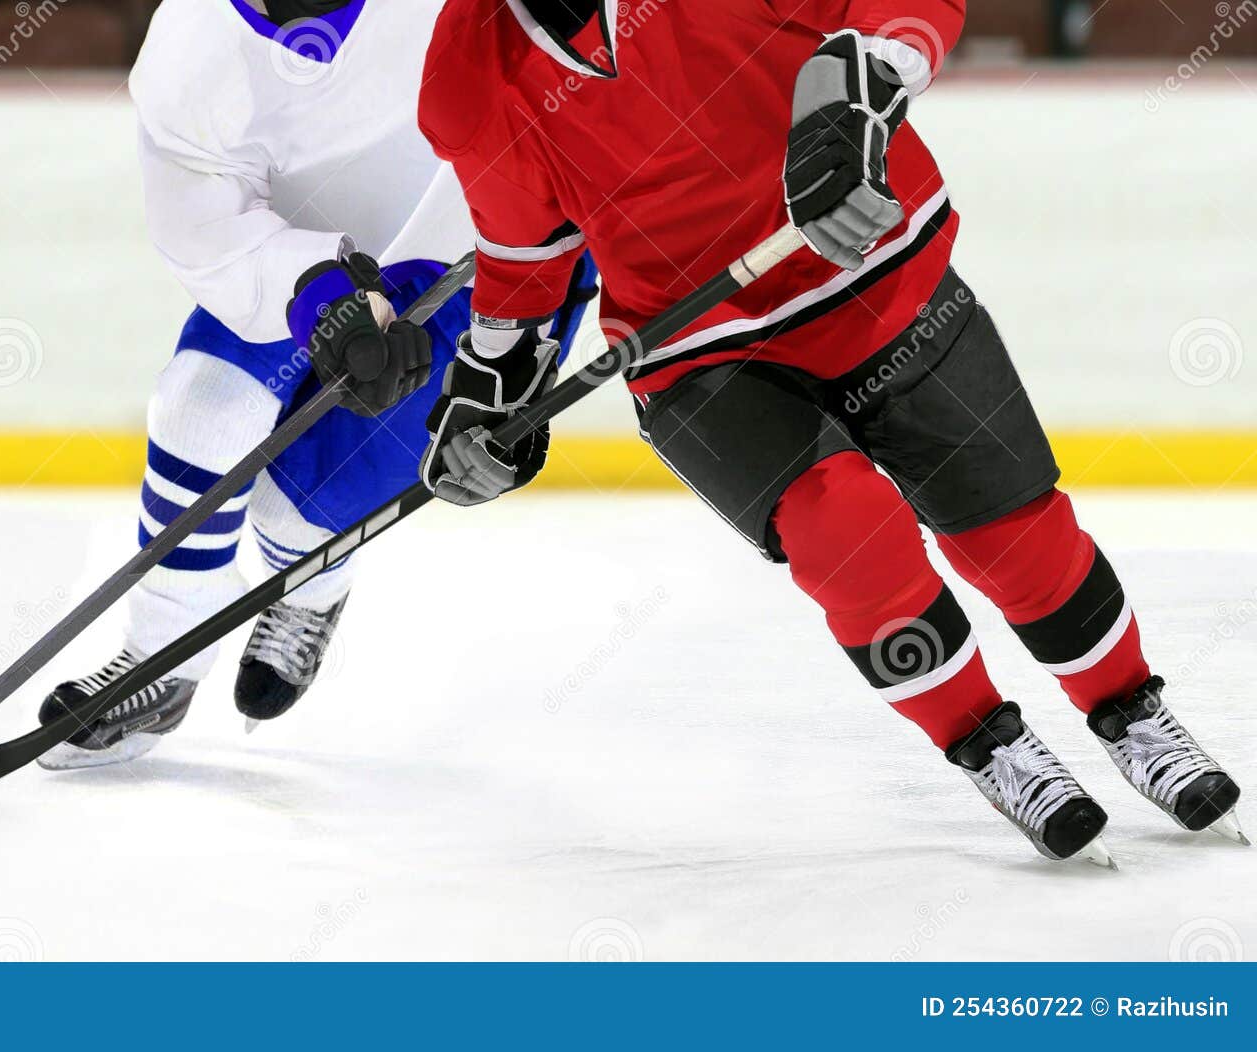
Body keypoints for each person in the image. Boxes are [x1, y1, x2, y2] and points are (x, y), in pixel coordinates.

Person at [415, 0, 1243, 862]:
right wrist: (490, 391)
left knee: (1014, 537)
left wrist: (860, 84)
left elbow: (915, 10)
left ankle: (1132, 712)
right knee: (845, 529)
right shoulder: (467, 68)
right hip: (695, 349)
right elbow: (527, 256)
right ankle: (988, 743)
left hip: (877, 271)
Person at [35, 0, 597, 770]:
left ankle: (309, 585)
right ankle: (157, 657)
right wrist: (315, 294)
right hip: (311, 248)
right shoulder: (189, 46)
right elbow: (205, 223)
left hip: (485, 248)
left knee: (296, 514)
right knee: (203, 405)